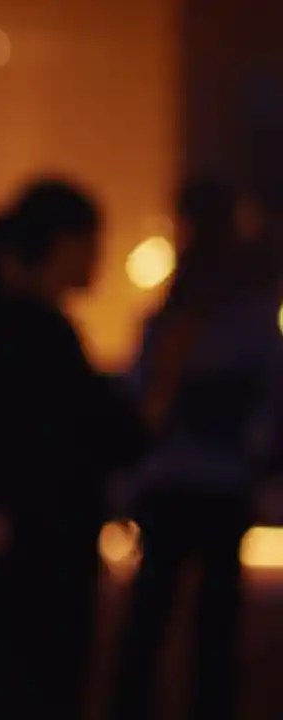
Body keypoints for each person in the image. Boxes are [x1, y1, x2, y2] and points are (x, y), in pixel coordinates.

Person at [0, 179, 147, 720]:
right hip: (48, 548)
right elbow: (114, 436)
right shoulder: (44, 336)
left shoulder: (6, 332)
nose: (99, 255)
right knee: (43, 686)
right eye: (92, 240)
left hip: (21, 546)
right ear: (64, 243)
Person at [112, 179, 283, 720]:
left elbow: (143, 399)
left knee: (156, 615)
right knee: (209, 622)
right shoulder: (239, 317)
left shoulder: (175, 317)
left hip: (179, 479)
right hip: (215, 480)